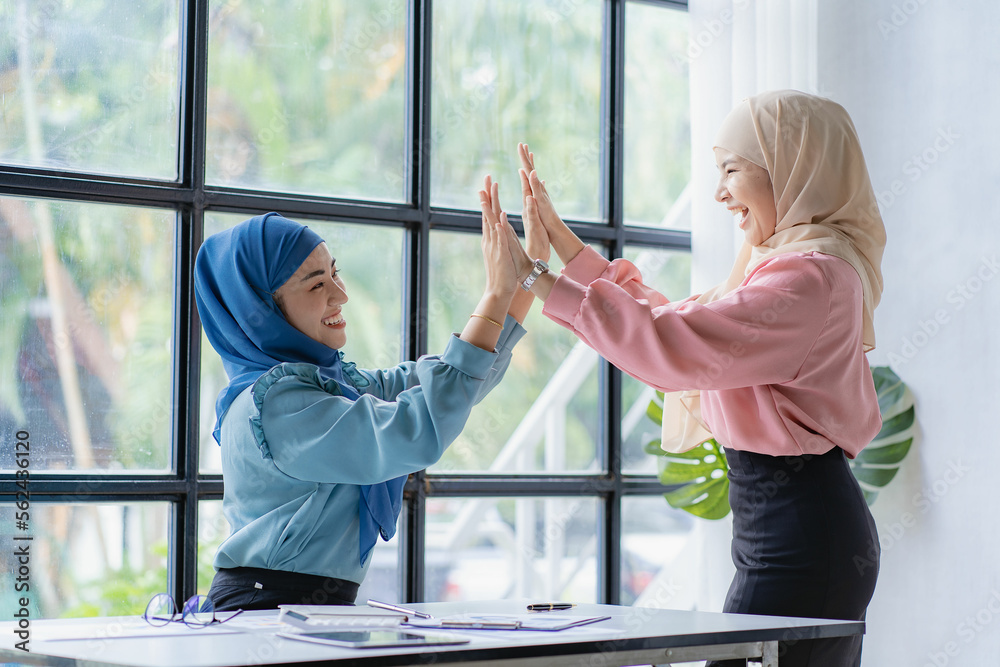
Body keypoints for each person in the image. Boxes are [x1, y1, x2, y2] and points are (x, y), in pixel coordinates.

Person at [487, 90, 885, 666]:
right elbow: (676, 322)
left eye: (731, 170)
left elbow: (674, 344)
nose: (720, 192)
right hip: (787, 529)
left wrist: (536, 278)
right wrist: (563, 247)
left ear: (792, 166)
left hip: (801, 539)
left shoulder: (809, 279)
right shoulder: (783, 267)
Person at [194, 180, 543, 610]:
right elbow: (414, 428)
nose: (341, 294)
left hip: (310, 615)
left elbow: (450, 384)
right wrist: (495, 293)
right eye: (316, 284)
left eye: (334, 273)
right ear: (262, 307)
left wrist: (528, 275)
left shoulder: (333, 385)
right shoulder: (274, 404)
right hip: (263, 615)